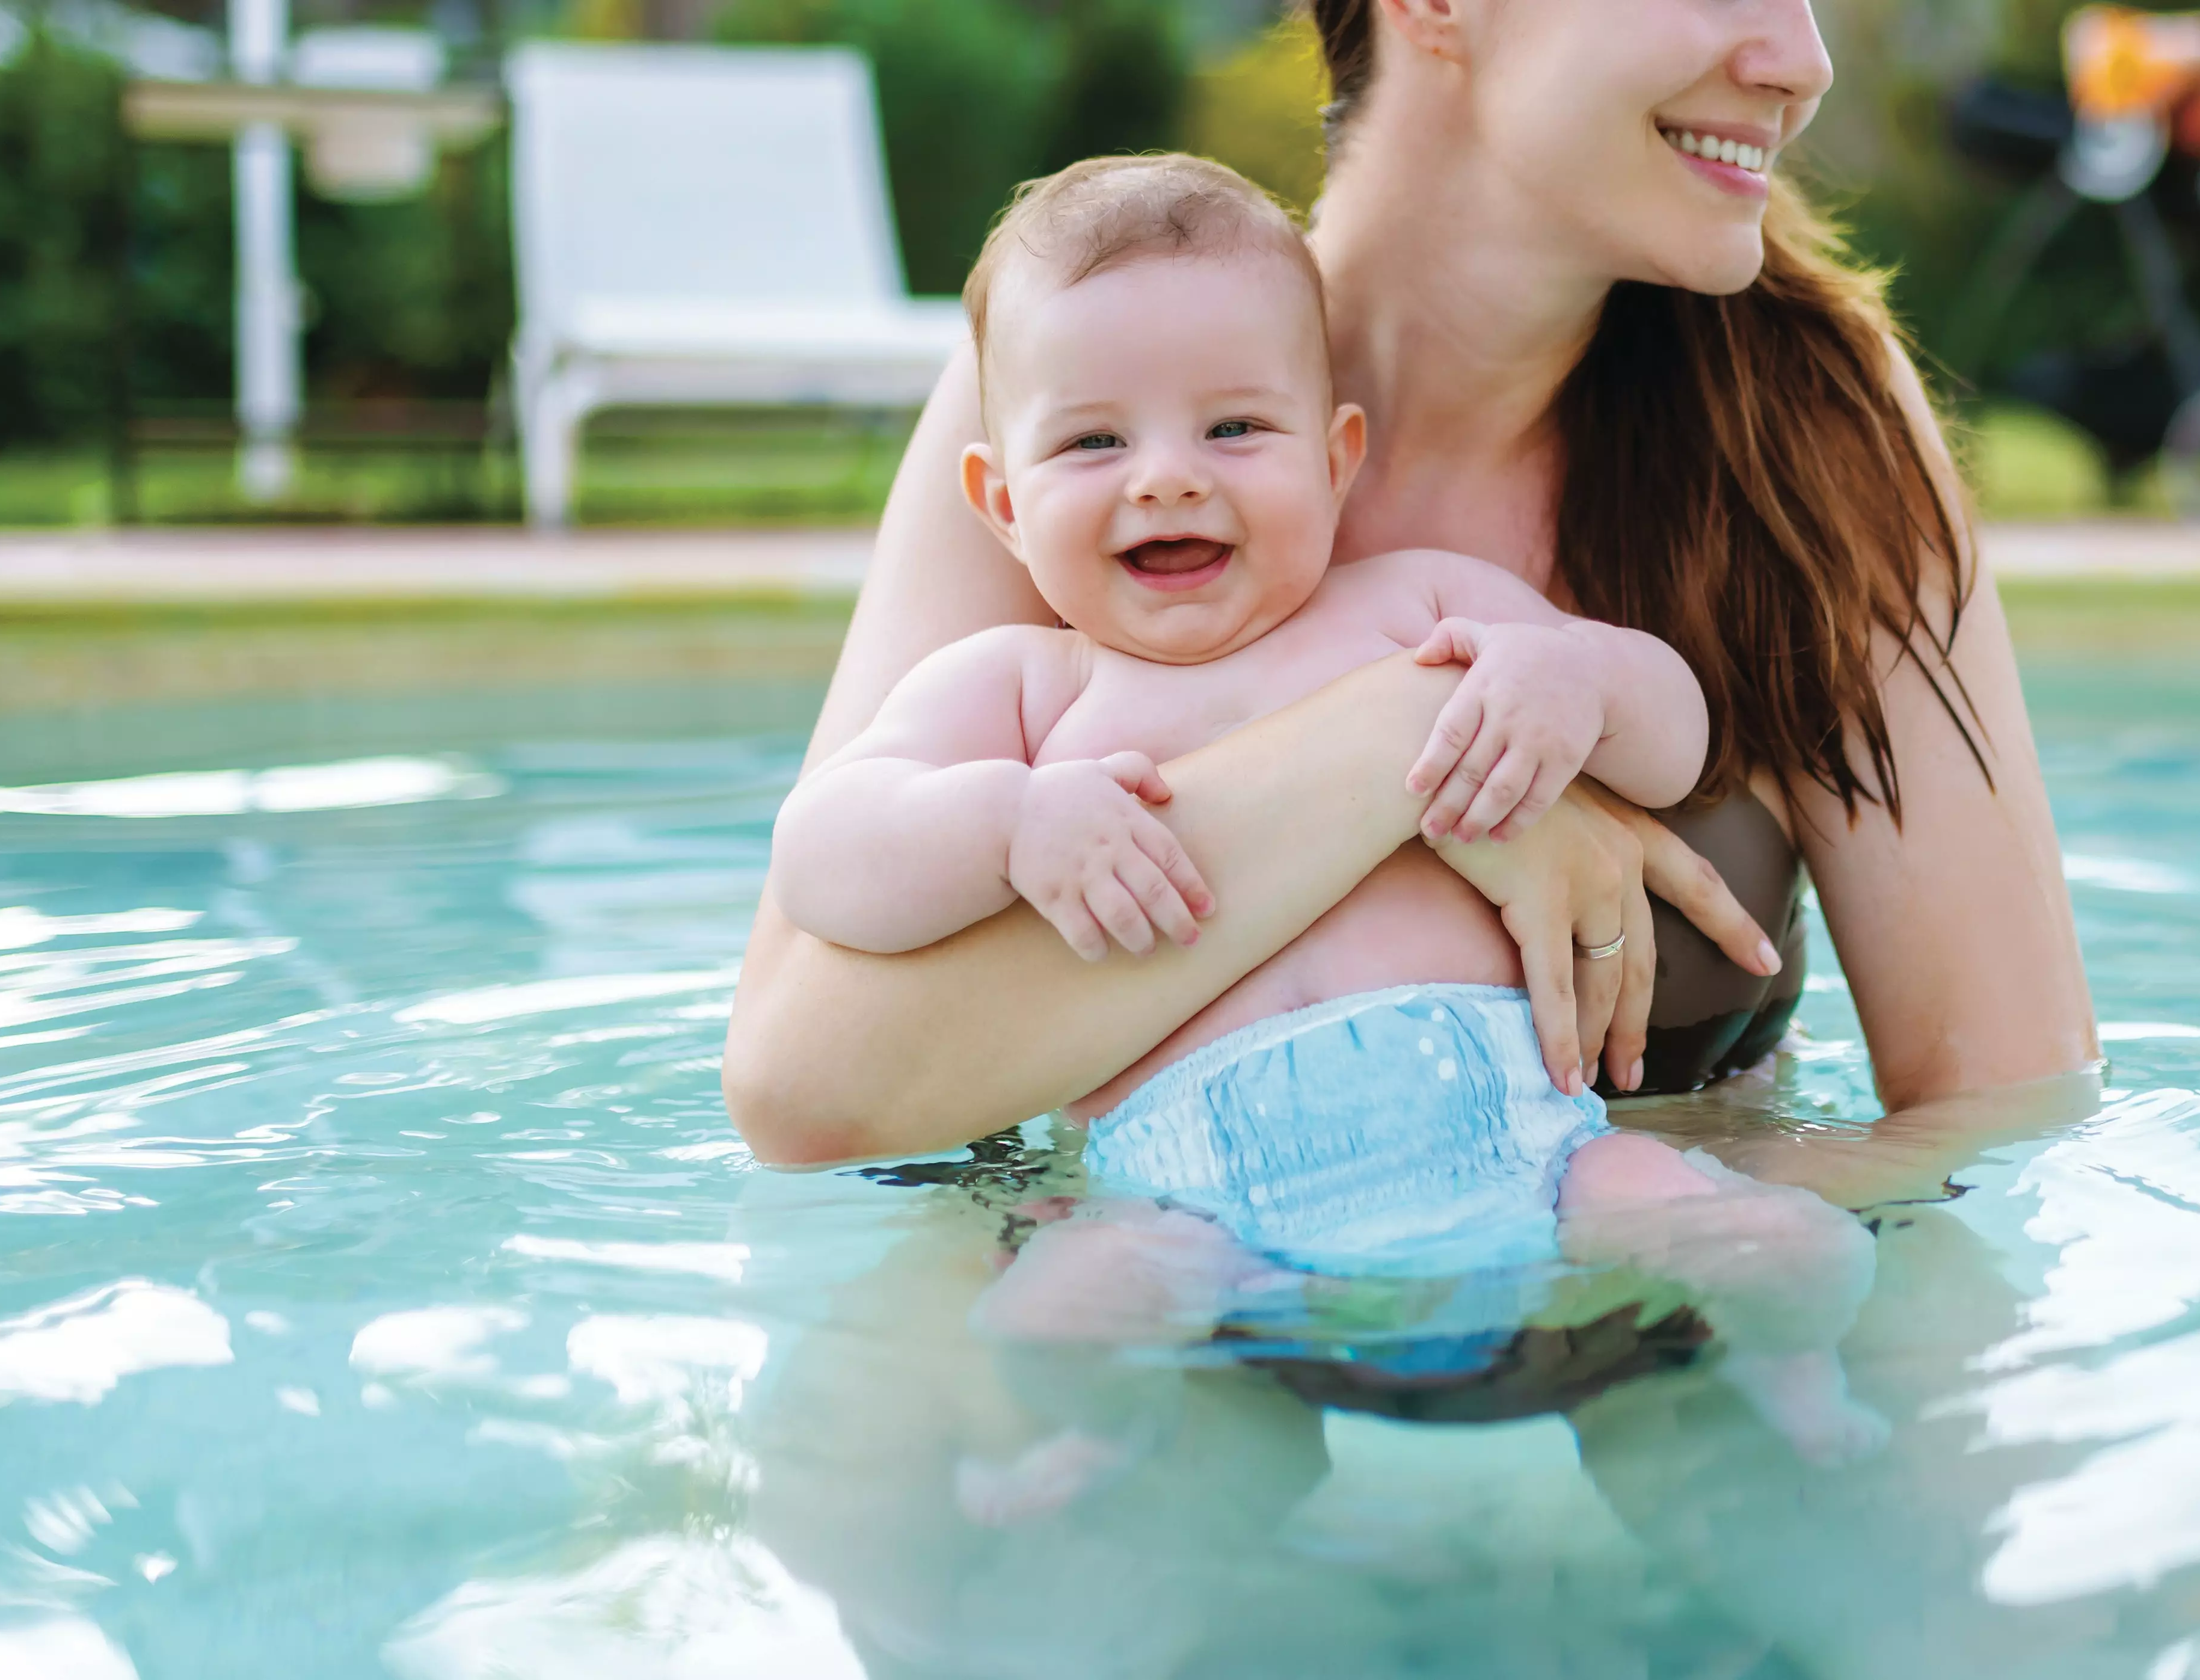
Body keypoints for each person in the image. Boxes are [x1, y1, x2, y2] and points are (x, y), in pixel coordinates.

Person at [724, 0, 2094, 1197]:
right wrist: (1405, 750)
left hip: (1655, 1323)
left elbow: (2006, 1108)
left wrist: (1591, 1230)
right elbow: (806, 1093)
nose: (1800, 59)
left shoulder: (1809, 431)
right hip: (1185, 1318)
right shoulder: (1077, 392)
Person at [772, 156, 1888, 1515]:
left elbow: (1679, 738)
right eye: (1093, 444)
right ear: (1000, 501)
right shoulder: (1020, 690)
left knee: (1770, 1240)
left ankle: (1785, 1368)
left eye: (1235, 429)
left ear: (1336, 456)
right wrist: (1005, 821)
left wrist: (1580, 679)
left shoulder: (1414, 607)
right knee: (1053, 1318)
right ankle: (1096, 1438)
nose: (1166, 481)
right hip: (1190, 1203)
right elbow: (824, 853)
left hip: (1524, 1159)